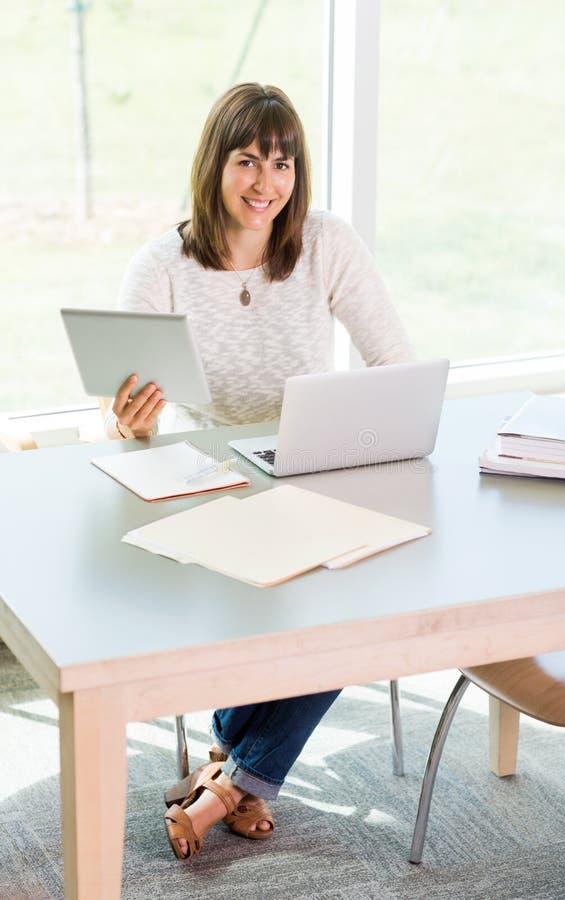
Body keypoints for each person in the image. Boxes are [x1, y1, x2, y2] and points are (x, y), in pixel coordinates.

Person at [104, 83, 417, 860]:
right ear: (216, 165)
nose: (266, 183)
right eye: (248, 160)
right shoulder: (162, 266)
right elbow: (113, 425)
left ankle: (231, 778)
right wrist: (125, 424)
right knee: (291, 611)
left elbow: (398, 366)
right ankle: (242, 781)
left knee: (351, 615)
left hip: (306, 478)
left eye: (283, 164)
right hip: (207, 489)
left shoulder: (325, 242)